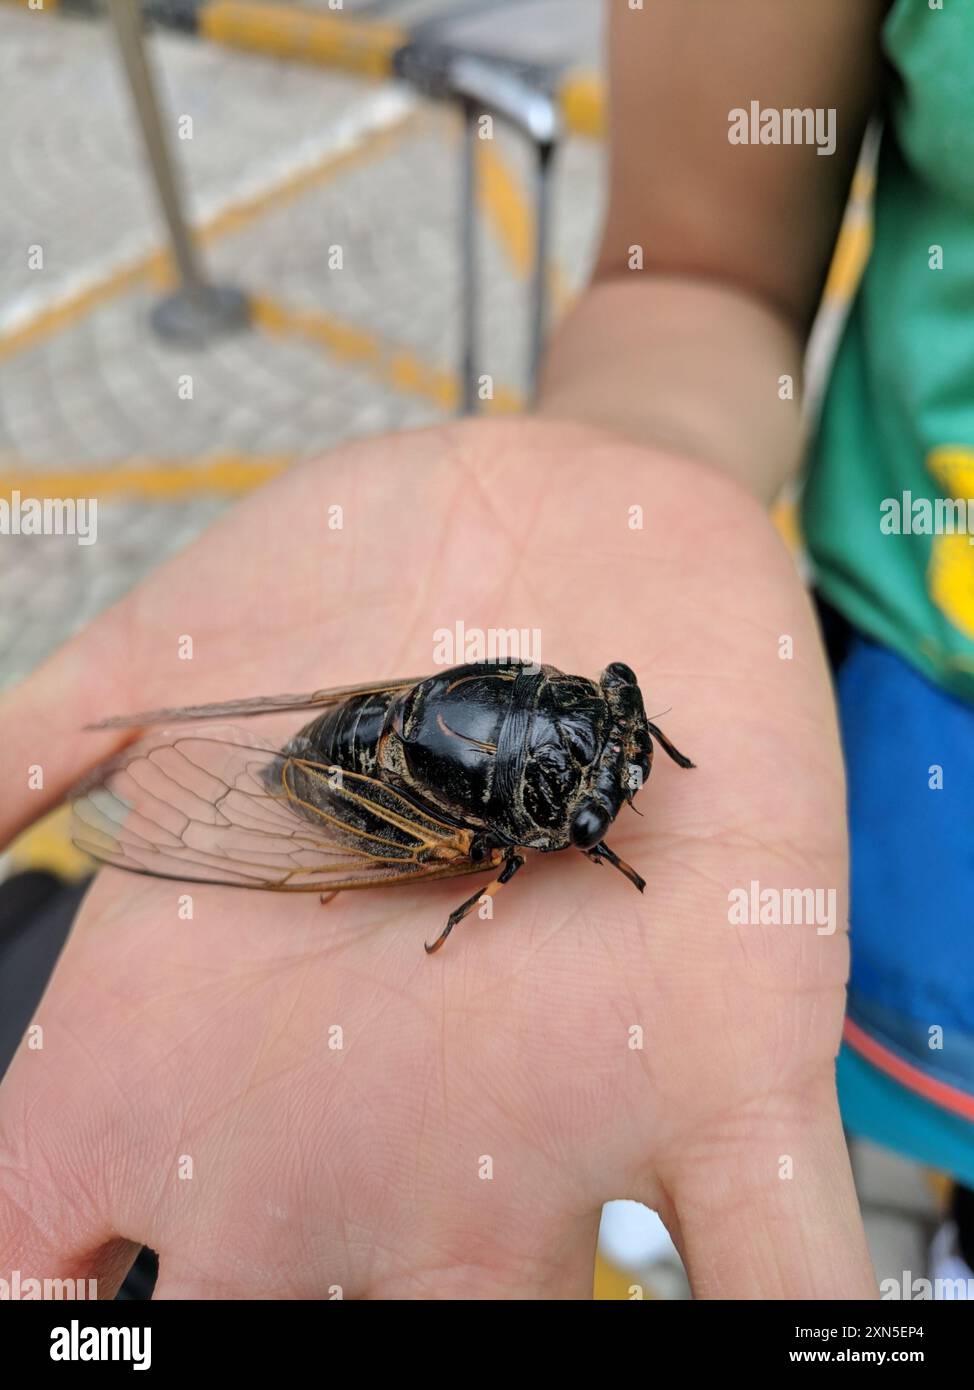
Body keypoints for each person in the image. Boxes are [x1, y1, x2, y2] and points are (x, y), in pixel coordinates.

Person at [0, 0, 962, 1298]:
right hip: (388, 794)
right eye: (594, 783)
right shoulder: (500, 836)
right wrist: (612, 462)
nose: (621, 771)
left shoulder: (556, 766)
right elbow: (697, 272)